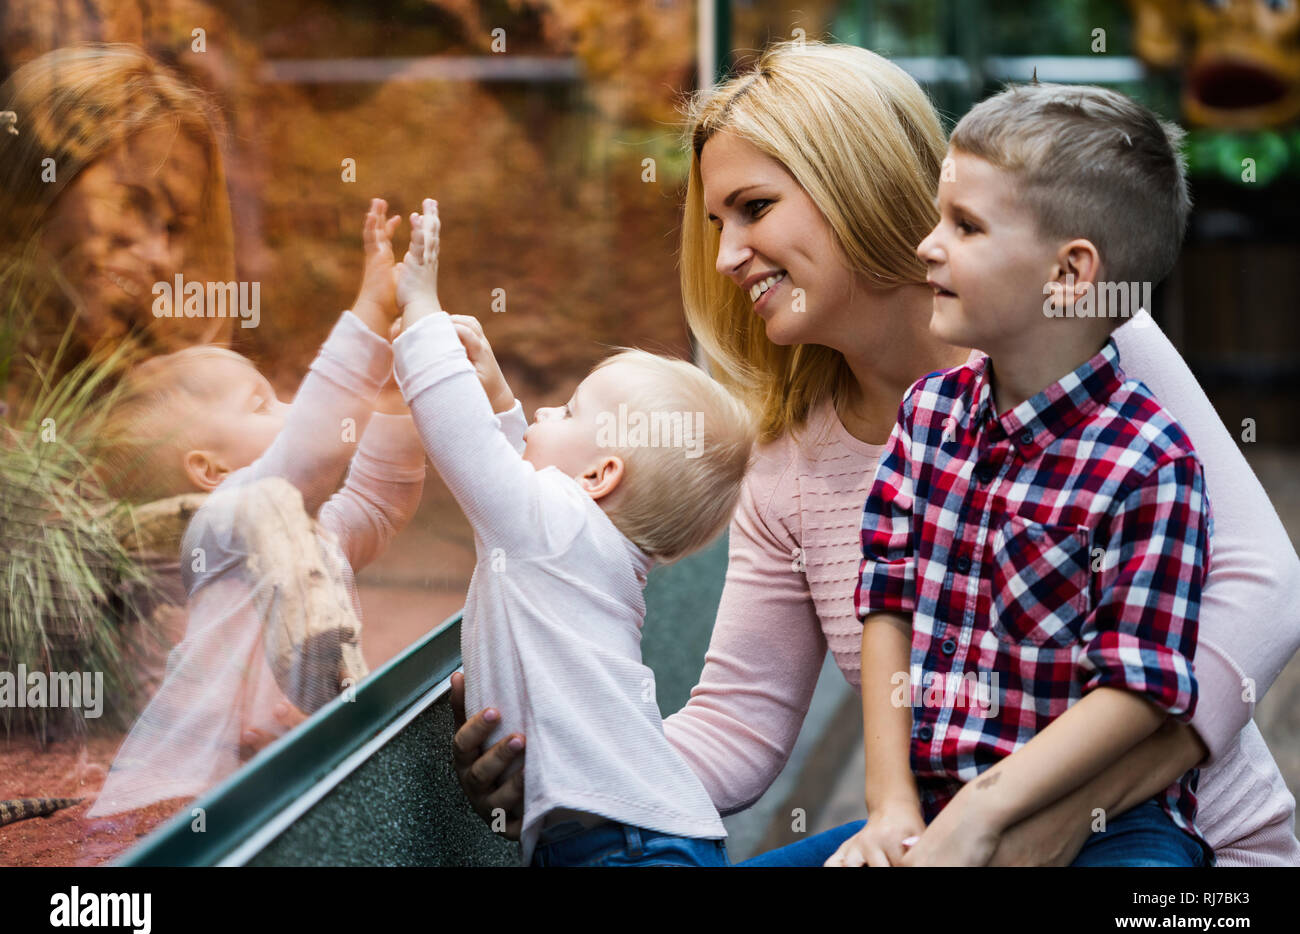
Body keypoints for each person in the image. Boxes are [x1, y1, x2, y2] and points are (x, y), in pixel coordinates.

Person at [450, 41, 1300, 866]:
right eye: (715, 222)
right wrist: (570, 759)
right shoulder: (788, 461)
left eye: (755, 208)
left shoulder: (1069, 327)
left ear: (852, 180)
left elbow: (1266, 584)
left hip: (1186, 845)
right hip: (936, 838)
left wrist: (1067, 811)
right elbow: (736, 728)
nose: (726, 256)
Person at [828, 83, 1210, 868]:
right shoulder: (927, 414)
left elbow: (1142, 685)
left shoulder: (1152, 463)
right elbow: (887, 602)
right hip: (927, 802)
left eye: (964, 226)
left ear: (1069, 273)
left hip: (1107, 826)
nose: (929, 246)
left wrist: (985, 811)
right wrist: (890, 805)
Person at [391, 199, 754, 866]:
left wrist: (420, 310)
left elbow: (466, 444)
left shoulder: (554, 534)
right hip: (646, 836)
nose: (545, 410)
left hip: (620, 848)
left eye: (571, 408)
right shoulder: (583, 548)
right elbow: (514, 470)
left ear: (600, 474)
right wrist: (501, 394)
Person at [88, 200, 425, 815]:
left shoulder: (305, 528)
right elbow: (309, 452)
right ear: (210, 472)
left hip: (269, 786)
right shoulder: (222, 525)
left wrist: (393, 407)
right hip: (183, 803)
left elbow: (376, 505)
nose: (289, 409)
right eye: (260, 405)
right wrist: (371, 313)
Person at [0, 43, 235, 392]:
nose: (162, 257)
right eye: (134, 203)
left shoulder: (149, 401)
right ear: (39, 185)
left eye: (176, 228)